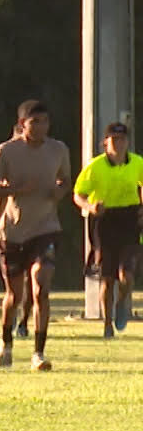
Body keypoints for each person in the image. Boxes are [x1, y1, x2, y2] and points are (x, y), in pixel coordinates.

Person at [0, 99, 72, 371]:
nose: (41, 128)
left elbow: (65, 179)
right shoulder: (6, 151)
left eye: (45, 122)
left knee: (41, 288)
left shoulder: (58, 149)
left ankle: (38, 353)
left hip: (46, 228)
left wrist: (60, 190)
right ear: (22, 125)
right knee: (14, 296)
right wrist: (12, 192)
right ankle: (6, 342)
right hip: (12, 232)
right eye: (35, 123)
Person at [73, 122, 143, 337]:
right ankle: (107, 324)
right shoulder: (95, 166)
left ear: (128, 142)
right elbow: (79, 194)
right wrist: (90, 207)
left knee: (126, 276)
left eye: (122, 140)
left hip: (130, 219)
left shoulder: (137, 162)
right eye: (114, 139)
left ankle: (122, 301)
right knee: (107, 277)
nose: (118, 144)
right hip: (104, 221)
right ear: (105, 143)